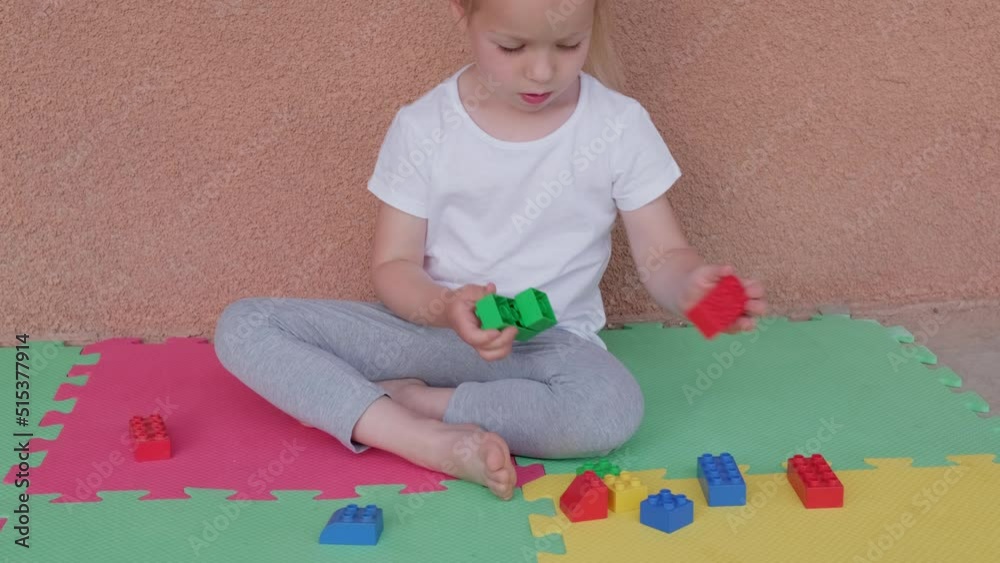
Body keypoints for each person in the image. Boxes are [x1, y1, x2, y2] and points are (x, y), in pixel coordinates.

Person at [214, 0, 767, 501]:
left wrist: (696, 291)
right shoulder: (423, 126)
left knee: (611, 409)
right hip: (428, 334)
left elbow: (662, 257)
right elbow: (393, 266)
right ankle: (416, 437)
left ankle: (414, 404)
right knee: (244, 326)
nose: (543, 71)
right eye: (512, 47)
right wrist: (446, 307)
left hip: (547, 351)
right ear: (463, 13)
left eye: (569, 45)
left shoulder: (619, 126)